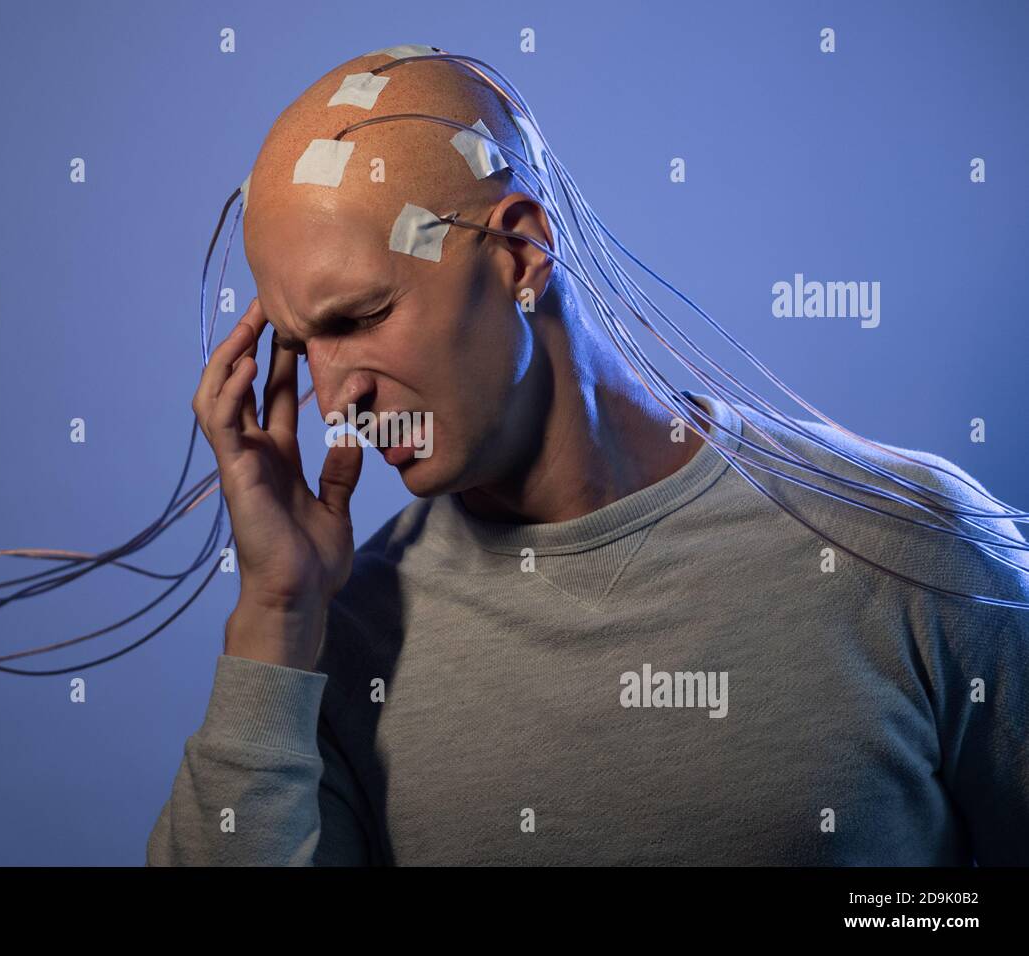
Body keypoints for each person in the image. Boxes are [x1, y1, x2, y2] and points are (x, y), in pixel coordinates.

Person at [146, 48, 1029, 865]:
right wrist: (275, 610)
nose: (338, 398)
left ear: (520, 251)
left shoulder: (909, 543)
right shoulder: (333, 642)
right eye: (303, 348)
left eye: (362, 318)